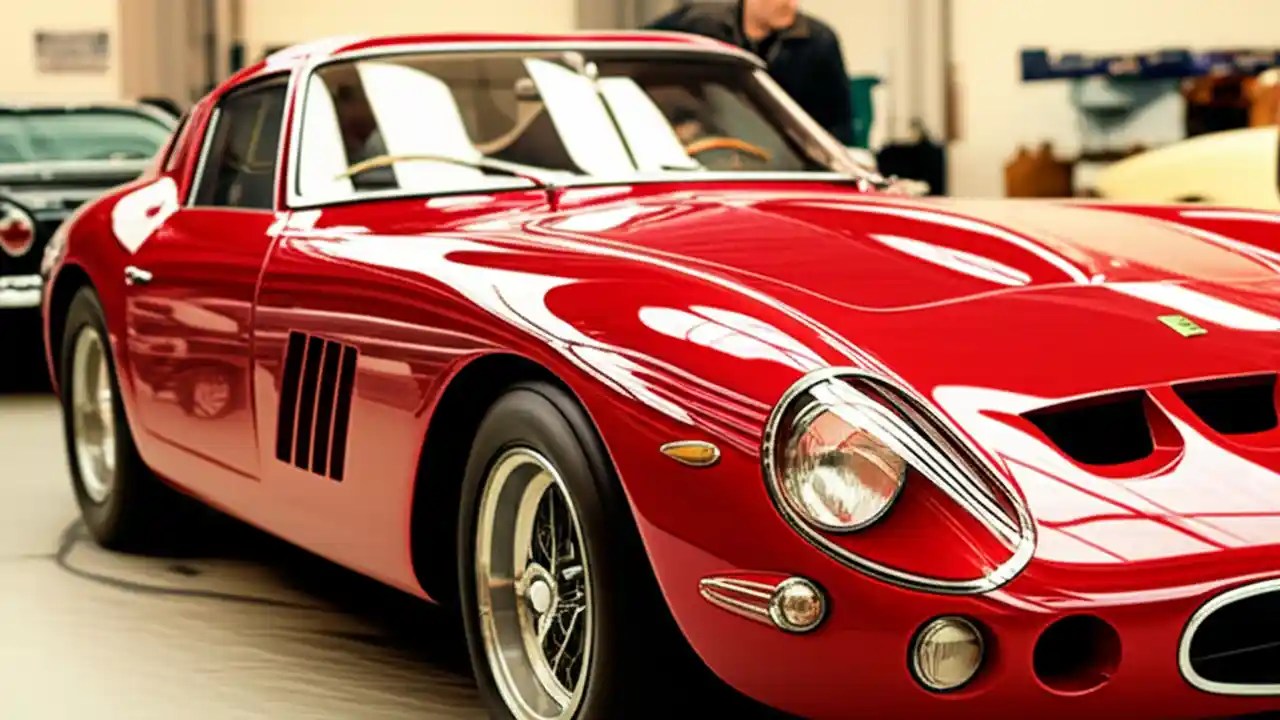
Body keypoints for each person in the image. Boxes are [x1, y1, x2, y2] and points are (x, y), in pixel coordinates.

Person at [646, 0, 855, 146]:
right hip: (705, 154)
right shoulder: (699, 25)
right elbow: (636, 60)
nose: (789, 4)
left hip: (785, 165)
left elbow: (839, 124)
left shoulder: (818, 42)